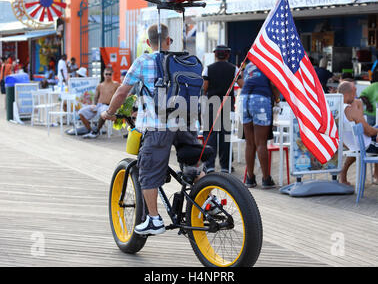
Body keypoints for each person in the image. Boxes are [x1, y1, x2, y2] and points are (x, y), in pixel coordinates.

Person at [101, 23, 205, 235]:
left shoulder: (144, 61)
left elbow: (122, 92)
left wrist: (110, 112)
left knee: (148, 173)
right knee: (193, 168)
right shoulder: (183, 60)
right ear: (170, 40)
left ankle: (154, 219)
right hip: (187, 124)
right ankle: (209, 200)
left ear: (148, 43)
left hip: (158, 127)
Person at [202, 45, 244, 173]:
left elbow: (204, 88)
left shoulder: (208, 69)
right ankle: (225, 166)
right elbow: (242, 85)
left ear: (215, 55)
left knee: (211, 136)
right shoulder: (234, 69)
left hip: (212, 105)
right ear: (227, 55)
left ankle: (209, 165)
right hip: (227, 105)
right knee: (225, 136)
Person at [239, 60, 280, 189]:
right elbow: (274, 84)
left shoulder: (249, 66)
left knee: (250, 143)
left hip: (244, 99)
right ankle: (266, 179)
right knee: (261, 143)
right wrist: (277, 99)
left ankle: (250, 178)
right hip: (261, 100)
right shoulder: (269, 63)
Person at [337, 81, 378, 185]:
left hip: (353, 145)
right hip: (366, 145)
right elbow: (369, 132)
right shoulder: (351, 110)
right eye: (354, 93)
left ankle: (376, 174)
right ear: (347, 94)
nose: (356, 96)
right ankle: (377, 174)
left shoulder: (336, 110)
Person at [80, 67, 120, 138]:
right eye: (106, 74)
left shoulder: (116, 84)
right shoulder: (100, 85)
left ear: (112, 74)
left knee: (103, 112)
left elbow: (120, 96)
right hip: (98, 105)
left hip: (108, 106)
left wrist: (116, 106)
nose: (108, 76)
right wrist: (94, 105)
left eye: (109, 74)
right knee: (81, 112)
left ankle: (96, 131)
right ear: (103, 74)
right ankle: (91, 130)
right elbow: (96, 97)